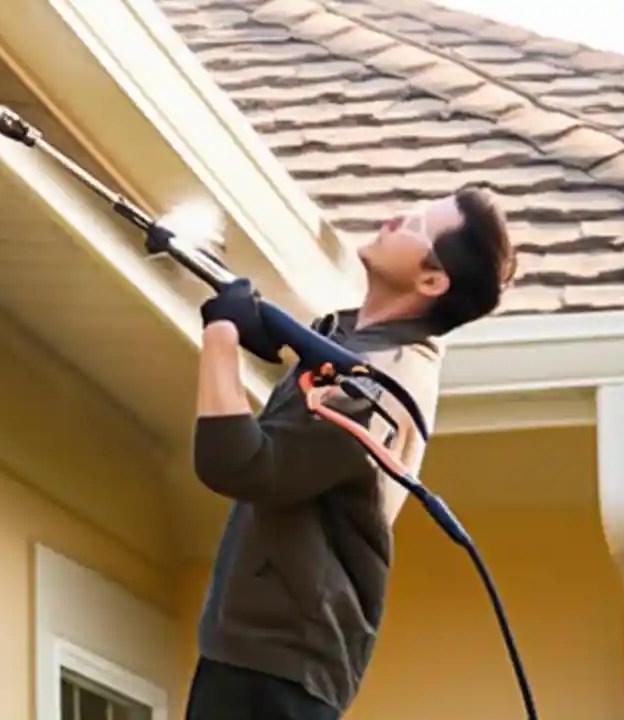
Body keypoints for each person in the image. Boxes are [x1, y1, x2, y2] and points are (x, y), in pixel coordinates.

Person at [185, 186, 517, 719]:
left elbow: (239, 463)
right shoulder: (353, 348)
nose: (394, 218)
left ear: (433, 280)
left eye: (415, 226)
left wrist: (220, 335)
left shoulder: (380, 381)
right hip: (261, 656)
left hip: (280, 671)